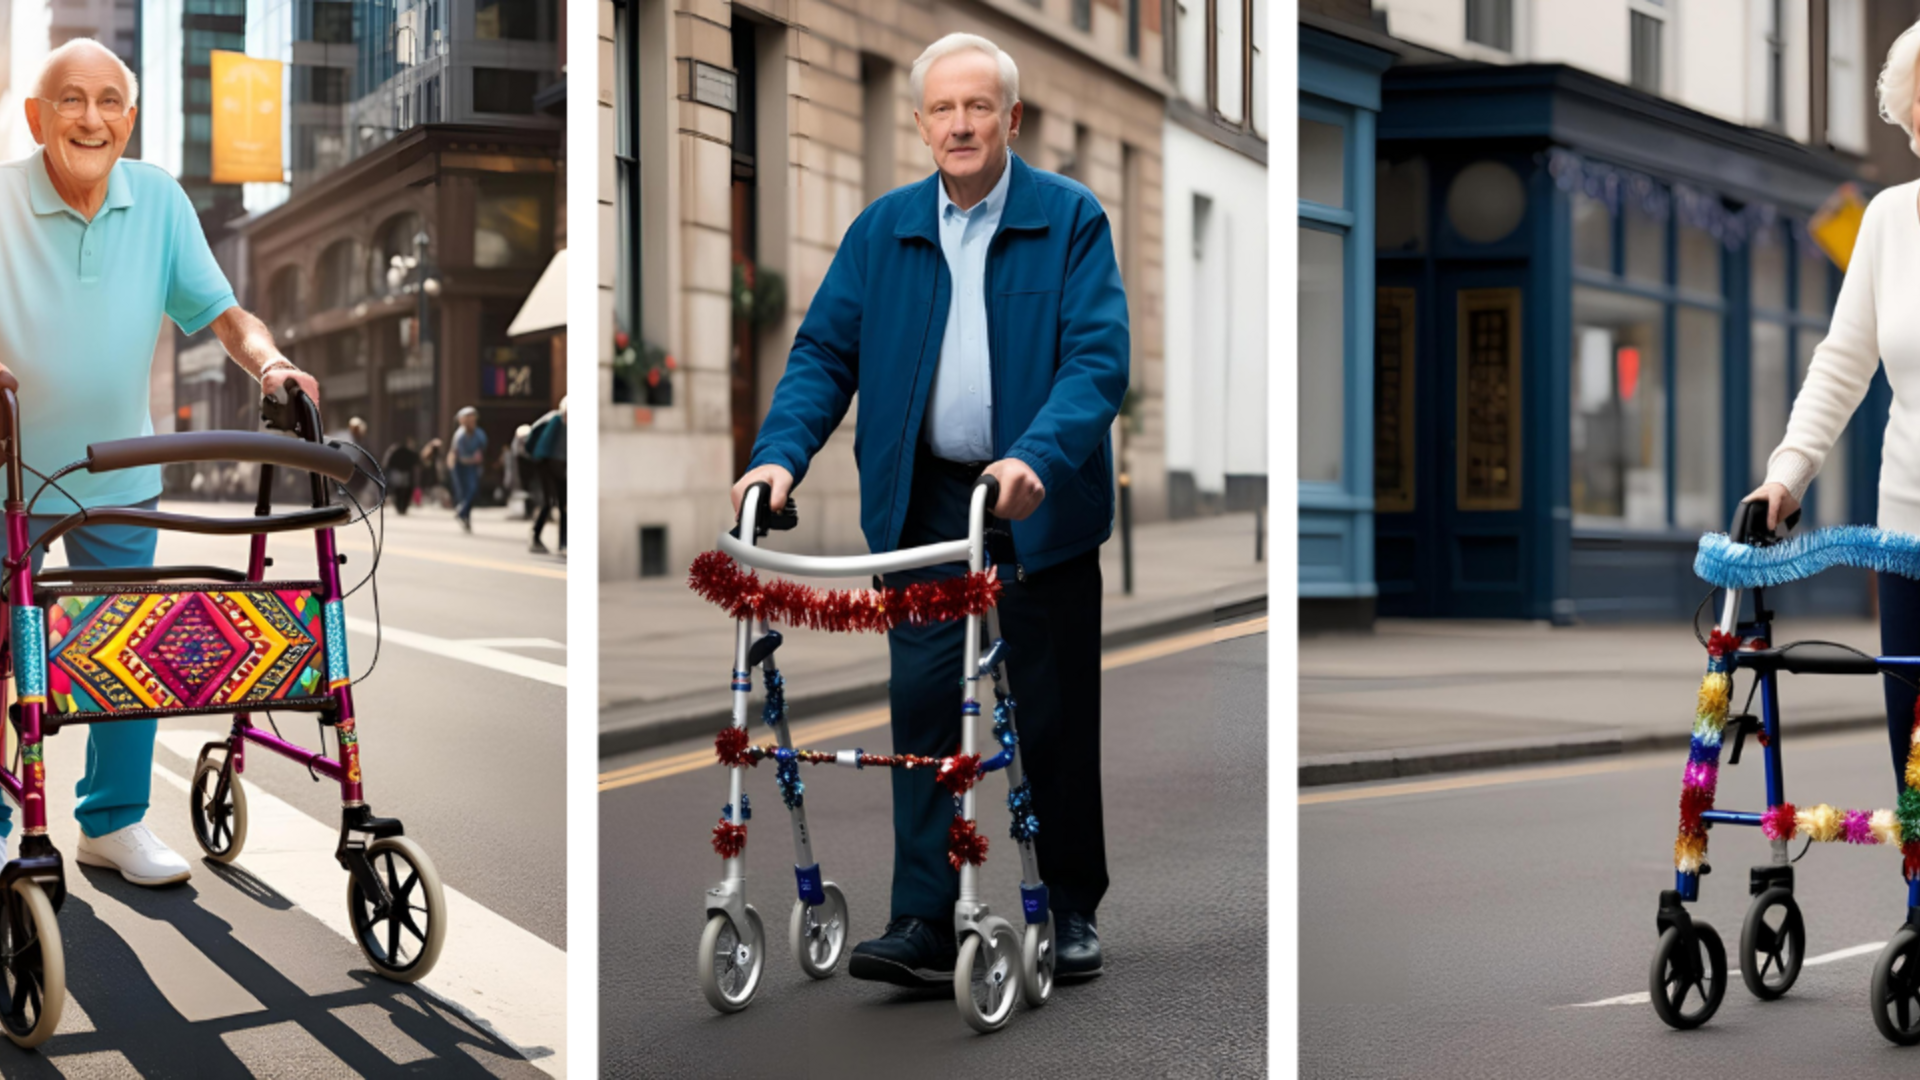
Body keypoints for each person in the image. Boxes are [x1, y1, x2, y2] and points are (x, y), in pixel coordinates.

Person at [731, 32, 1128, 987]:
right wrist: (777, 459)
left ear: (1011, 119)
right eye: (943, 109)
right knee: (923, 709)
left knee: (1050, 713)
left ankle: (1067, 904)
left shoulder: (1069, 218)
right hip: (926, 504)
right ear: (920, 124)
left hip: (1033, 500)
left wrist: (1036, 457)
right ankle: (924, 914)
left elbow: (1096, 359)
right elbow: (824, 355)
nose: (960, 124)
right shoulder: (884, 231)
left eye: (978, 106)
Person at [0, 39, 321, 886]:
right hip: (6, 477)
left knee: (125, 649)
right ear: (36, 118)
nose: (91, 118)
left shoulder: (159, 199)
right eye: (70, 100)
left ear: (130, 119)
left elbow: (224, 314)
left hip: (120, 471)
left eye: (109, 101)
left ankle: (113, 822)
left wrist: (272, 363)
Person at [1750, 21, 1920, 802]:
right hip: (1907, 537)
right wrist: (1787, 474)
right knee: (1914, 756)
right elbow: (1844, 361)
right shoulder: (1888, 219)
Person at [528, 397, 567, 555]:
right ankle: (536, 537)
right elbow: (543, 450)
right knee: (548, 502)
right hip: (548, 467)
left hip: (560, 468)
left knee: (564, 506)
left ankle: (563, 543)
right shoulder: (556, 421)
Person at [448, 406, 486, 532]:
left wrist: (478, 457)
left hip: (472, 467)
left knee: (472, 490)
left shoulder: (479, 434)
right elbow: (460, 456)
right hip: (460, 466)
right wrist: (474, 459)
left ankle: (462, 512)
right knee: (463, 493)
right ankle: (465, 517)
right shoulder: (460, 436)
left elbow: (483, 448)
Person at [382, 436, 419, 516]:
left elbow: (387, 463)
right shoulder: (406, 451)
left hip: (399, 472)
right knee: (403, 490)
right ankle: (402, 508)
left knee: (398, 490)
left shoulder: (394, 450)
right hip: (402, 473)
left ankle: (400, 507)